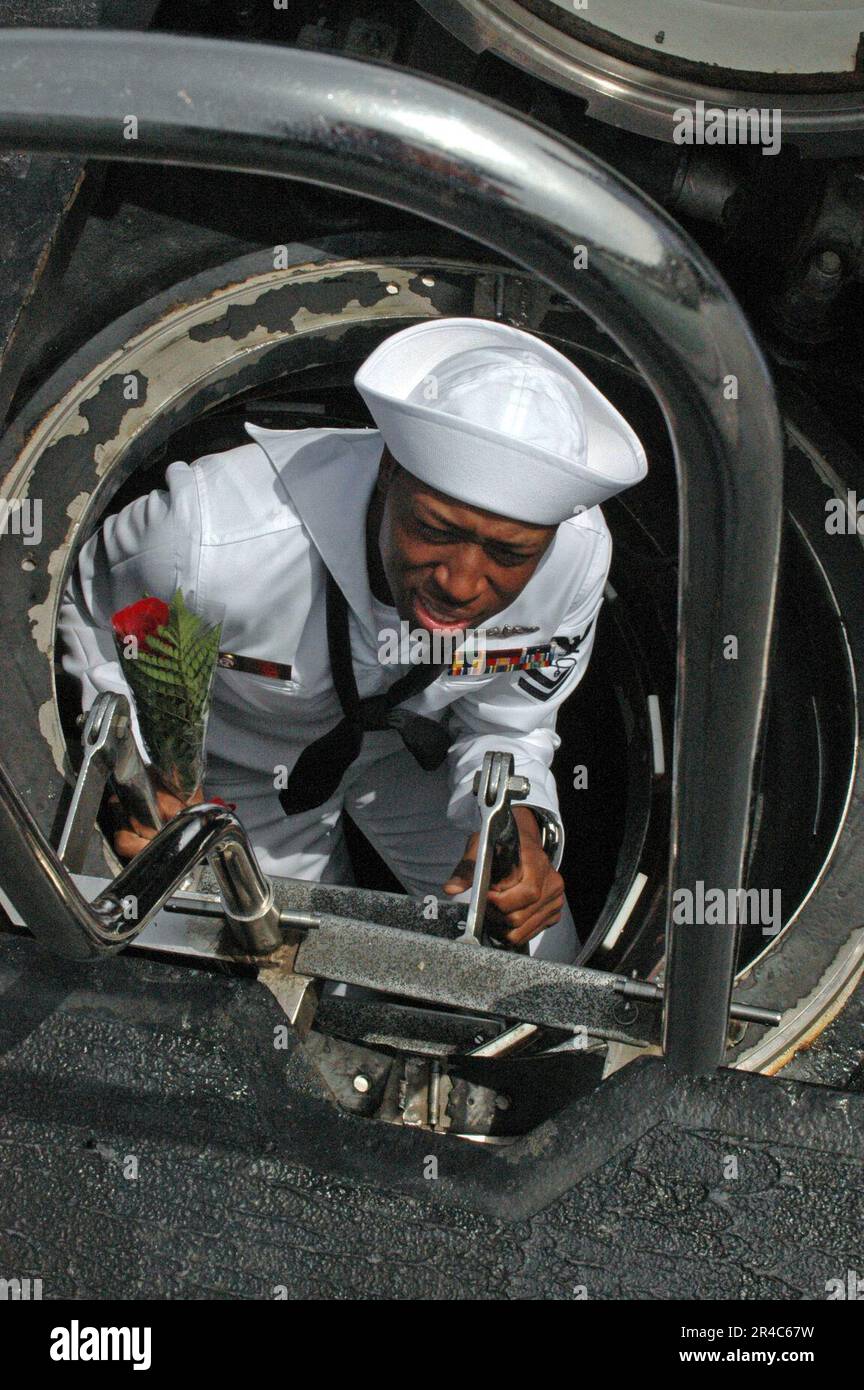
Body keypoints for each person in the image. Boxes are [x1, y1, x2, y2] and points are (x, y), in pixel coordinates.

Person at [59, 316, 647, 962]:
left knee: (535, 953)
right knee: (268, 963)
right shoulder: (212, 542)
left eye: (509, 553)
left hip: (408, 767)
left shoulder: (577, 558)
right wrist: (151, 767)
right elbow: (103, 623)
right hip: (246, 773)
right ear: (389, 468)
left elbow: (510, 725)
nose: (461, 581)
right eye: (437, 529)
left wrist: (519, 827)